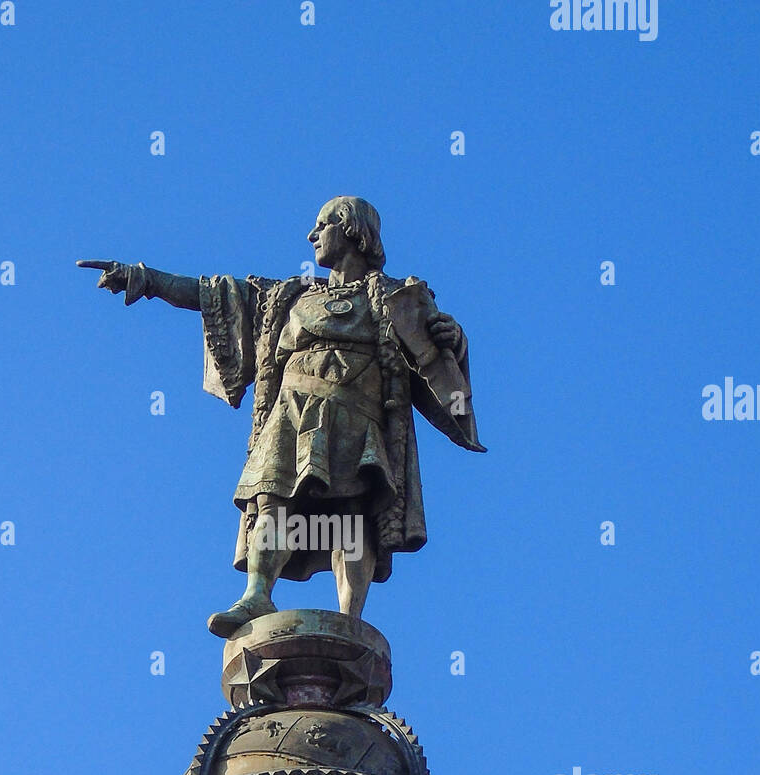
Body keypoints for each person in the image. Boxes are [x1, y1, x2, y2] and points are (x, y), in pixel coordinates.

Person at [80, 196, 484, 637]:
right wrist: (145, 278)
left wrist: (454, 340)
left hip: (357, 412)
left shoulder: (397, 297)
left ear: (352, 230)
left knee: (352, 513)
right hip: (291, 412)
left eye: (322, 224)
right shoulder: (289, 295)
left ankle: (350, 621)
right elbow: (215, 294)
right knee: (271, 495)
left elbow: (435, 362)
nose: (312, 235)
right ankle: (256, 594)